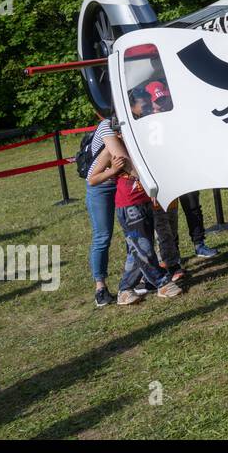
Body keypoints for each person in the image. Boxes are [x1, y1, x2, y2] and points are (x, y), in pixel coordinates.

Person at [88, 129, 182, 303]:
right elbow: (92, 179)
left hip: (148, 201)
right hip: (129, 205)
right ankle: (163, 284)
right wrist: (113, 170)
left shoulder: (141, 144)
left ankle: (125, 290)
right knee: (143, 247)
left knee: (136, 250)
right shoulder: (110, 151)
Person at [144, 81, 218, 260]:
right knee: (167, 215)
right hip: (163, 174)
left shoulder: (176, 114)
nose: (161, 105)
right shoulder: (147, 124)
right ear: (149, 102)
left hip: (184, 168)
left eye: (164, 100)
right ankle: (172, 252)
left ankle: (199, 244)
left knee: (193, 207)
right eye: (157, 102)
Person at [83, 110, 124, 307]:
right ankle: (100, 287)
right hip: (101, 186)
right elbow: (93, 179)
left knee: (132, 231)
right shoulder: (107, 126)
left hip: (121, 183)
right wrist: (114, 171)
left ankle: (138, 277)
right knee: (102, 236)